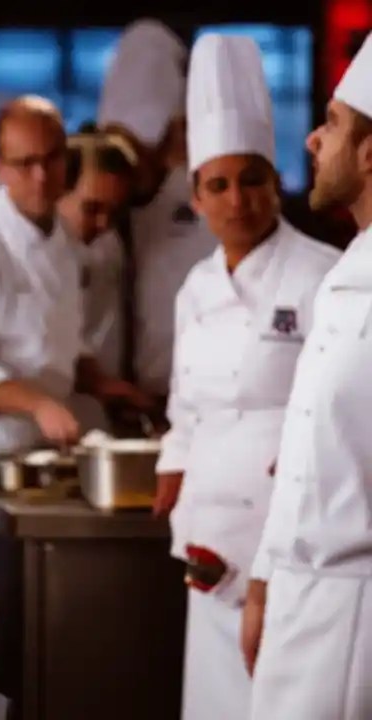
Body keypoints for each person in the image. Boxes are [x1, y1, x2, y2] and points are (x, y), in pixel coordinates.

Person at [0, 96, 147, 666]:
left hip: (22, 464)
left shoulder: (59, 238)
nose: (41, 176)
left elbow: (55, 334)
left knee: (30, 632)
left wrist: (98, 379)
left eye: (52, 159)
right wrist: (39, 403)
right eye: (25, 162)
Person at [150, 35, 341, 720]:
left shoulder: (323, 276)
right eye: (219, 185)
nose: (238, 199)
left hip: (283, 546)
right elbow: (187, 404)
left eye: (253, 179)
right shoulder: (196, 287)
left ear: (276, 183)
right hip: (206, 546)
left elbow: (329, 424)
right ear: (197, 199)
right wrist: (174, 461)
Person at [243, 34, 372, 720]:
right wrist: (266, 583)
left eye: (332, 124)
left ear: (371, 153)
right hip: (299, 596)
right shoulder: (348, 273)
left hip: (354, 610)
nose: (315, 142)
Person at [98, 19, 218, 410]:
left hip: (188, 396)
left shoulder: (202, 200)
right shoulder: (95, 210)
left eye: (142, 152)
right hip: (106, 398)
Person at [57, 131, 141, 431]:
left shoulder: (109, 243)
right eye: (91, 209)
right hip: (54, 408)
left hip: (99, 407)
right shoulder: (36, 253)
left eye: (112, 211)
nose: (104, 223)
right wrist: (98, 382)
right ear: (58, 190)